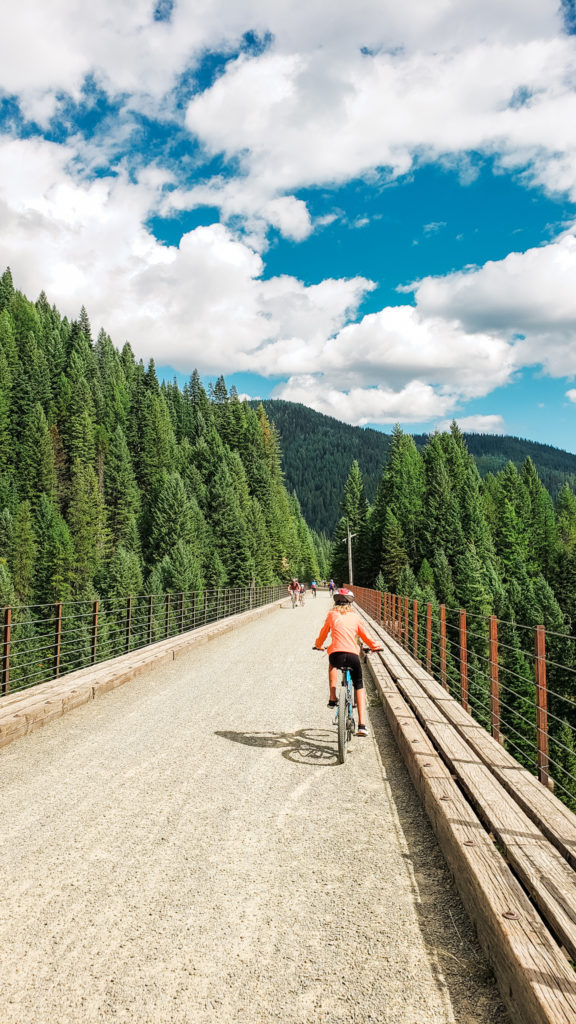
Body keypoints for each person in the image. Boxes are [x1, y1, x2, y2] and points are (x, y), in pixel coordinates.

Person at [313, 588, 382, 737]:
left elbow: (323, 633)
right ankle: (362, 725)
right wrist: (375, 646)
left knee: (332, 664)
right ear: (350, 603)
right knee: (359, 684)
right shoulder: (355, 617)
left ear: (336, 602)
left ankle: (332, 697)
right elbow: (365, 636)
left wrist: (318, 645)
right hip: (352, 656)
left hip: (336, 655)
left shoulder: (331, 615)